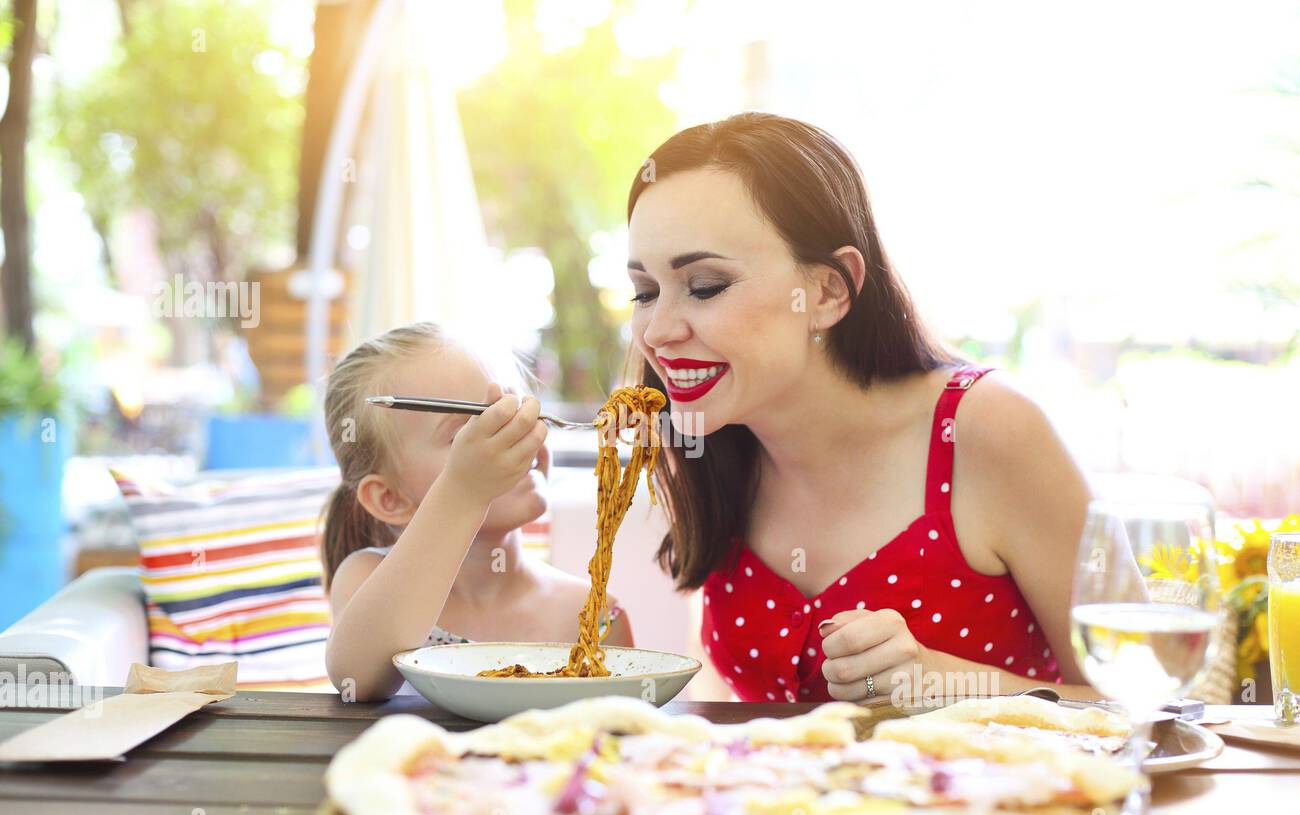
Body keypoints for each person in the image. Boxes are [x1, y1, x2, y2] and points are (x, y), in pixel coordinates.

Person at [624, 112, 1099, 705]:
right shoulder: (714, 445)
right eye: (644, 293)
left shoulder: (990, 430)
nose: (657, 331)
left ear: (827, 291)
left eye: (705, 286)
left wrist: (943, 683)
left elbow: (1153, 710)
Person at [320, 323, 632, 700]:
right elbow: (358, 680)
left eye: (513, 413)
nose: (513, 435)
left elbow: (623, 736)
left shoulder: (594, 616)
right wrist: (463, 490)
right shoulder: (364, 577)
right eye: (462, 434)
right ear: (390, 498)